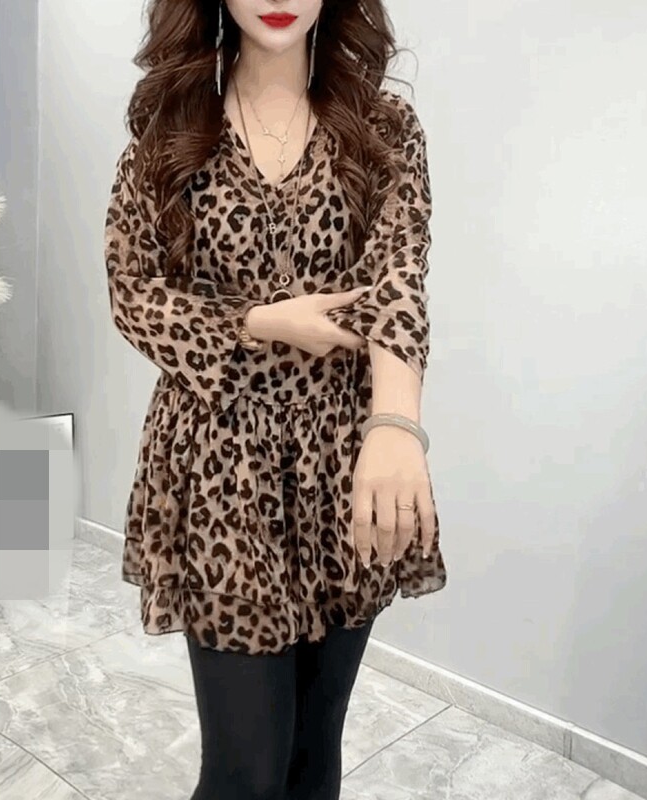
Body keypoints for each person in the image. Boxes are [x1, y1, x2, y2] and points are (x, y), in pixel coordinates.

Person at [103, 1, 448, 797]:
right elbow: (131, 293)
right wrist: (258, 322)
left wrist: (396, 425)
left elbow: (398, 280)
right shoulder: (173, 132)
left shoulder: (383, 127)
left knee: (311, 754)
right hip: (221, 467)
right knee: (245, 772)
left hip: (341, 459)